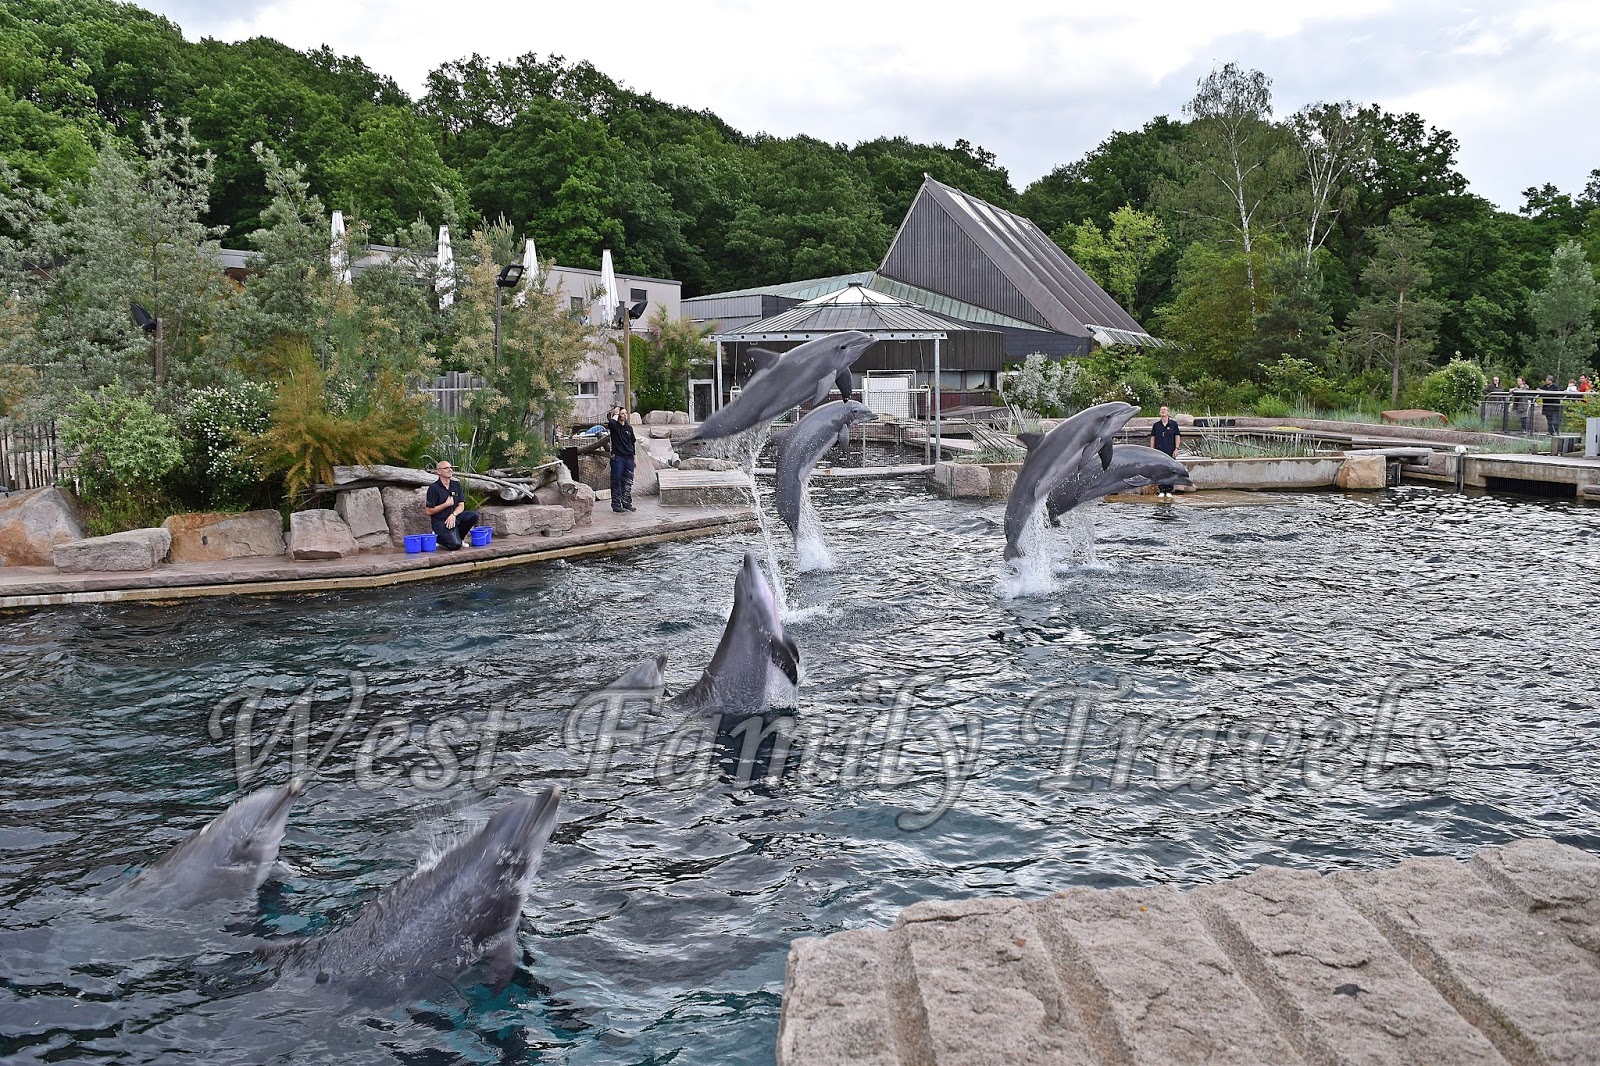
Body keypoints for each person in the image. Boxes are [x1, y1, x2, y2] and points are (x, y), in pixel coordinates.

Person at [425, 460, 478, 549]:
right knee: (455, 545)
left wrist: (453, 514)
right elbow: (429, 511)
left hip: (454, 517)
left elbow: (461, 505)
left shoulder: (456, 485)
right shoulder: (434, 488)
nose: (450, 470)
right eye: (446, 468)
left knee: (473, 515)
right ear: (439, 471)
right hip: (441, 521)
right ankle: (437, 537)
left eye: (451, 468)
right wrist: (446, 504)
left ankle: (460, 538)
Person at [606, 404, 637, 513]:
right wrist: (615, 413)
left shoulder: (629, 428)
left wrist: (634, 458)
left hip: (629, 457)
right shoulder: (615, 427)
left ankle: (626, 503)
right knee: (617, 479)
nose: (625, 415)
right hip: (618, 457)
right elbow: (611, 423)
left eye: (625, 413)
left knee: (628, 480)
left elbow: (632, 444)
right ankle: (616, 504)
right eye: (622, 413)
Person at [1148, 404, 1182, 499]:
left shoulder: (1173, 424)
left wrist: (1177, 448)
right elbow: (1153, 437)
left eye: (1164, 410)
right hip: (1159, 451)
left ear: (1168, 413)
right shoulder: (1156, 425)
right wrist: (1152, 449)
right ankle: (1162, 490)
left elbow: (1177, 436)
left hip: (1170, 451)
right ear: (1160, 412)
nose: (1163, 411)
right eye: (1161, 410)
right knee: (1160, 471)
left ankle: (1169, 490)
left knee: (1170, 470)